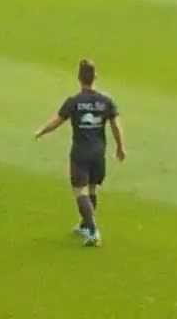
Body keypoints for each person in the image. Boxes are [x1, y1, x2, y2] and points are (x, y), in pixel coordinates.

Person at [33, 59, 125, 248]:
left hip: (80, 154)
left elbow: (57, 121)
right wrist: (120, 147)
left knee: (80, 192)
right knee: (92, 189)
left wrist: (42, 131)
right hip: (99, 154)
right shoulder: (106, 101)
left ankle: (93, 231)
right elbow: (116, 125)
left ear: (79, 78)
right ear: (95, 77)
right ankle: (85, 225)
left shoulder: (74, 102)